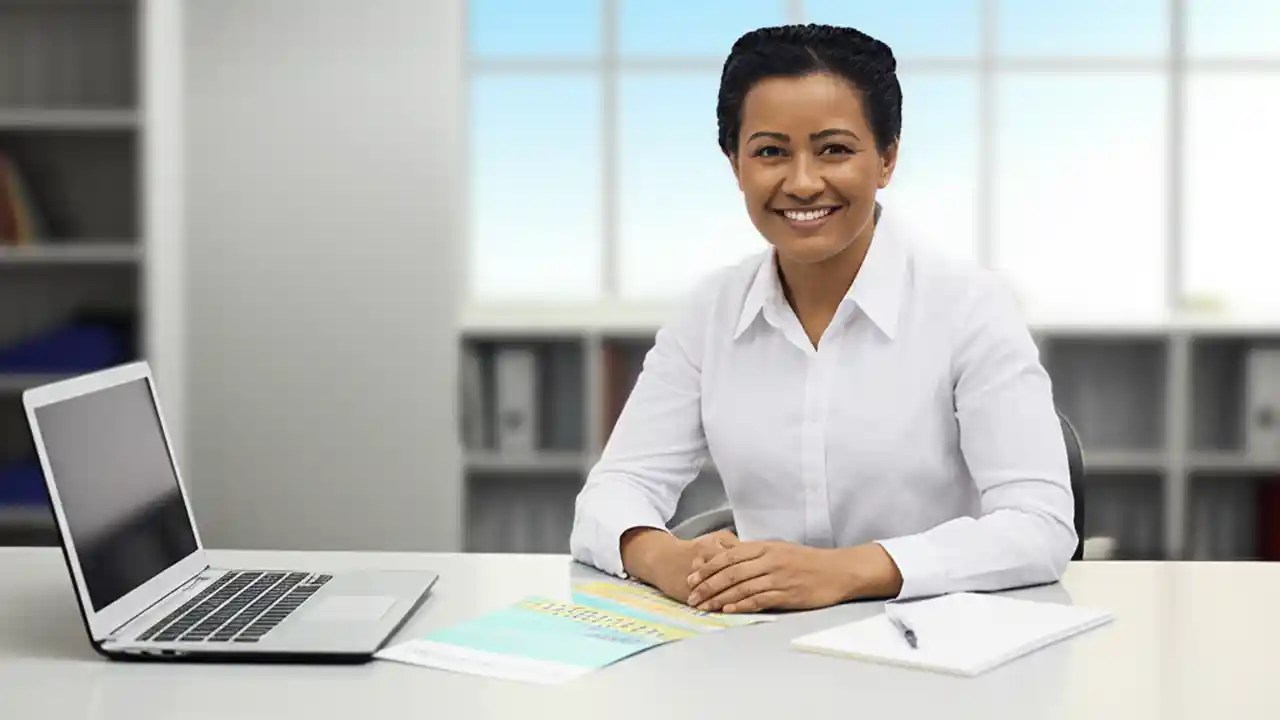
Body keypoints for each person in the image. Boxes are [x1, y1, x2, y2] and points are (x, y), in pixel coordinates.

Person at [569, 24, 1076, 613]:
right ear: (735, 165)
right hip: (757, 642)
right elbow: (613, 492)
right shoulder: (709, 312)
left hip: (936, 638)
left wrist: (845, 572)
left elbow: (1040, 525)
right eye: (770, 152)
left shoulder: (971, 306)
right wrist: (668, 560)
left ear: (886, 159)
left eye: (834, 149)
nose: (803, 182)